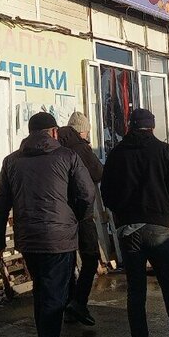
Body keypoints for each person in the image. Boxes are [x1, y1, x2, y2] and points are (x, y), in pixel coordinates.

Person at [0, 112, 97, 337]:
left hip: (29, 239)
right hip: (59, 239)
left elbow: (0, 205)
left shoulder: (11, 161)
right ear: (53, 132)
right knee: (54, 296)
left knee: (42, 290)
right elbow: (87, 194)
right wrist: (77, 218)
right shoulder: (68, 156)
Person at [101, 108, 169, 337]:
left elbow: (107, 192)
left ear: (130, 126)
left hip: (128, 230)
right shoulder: (165, 151)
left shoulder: (117, 154)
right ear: (152, 127)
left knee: (136, 291)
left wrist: (121, 213)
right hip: (159, 228)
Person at [57, 111, 105, 326]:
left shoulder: (56, 145)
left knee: (67, 260)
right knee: (90, 257)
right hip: (81, 212)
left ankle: (69, 303)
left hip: (61, 213)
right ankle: (78, 303)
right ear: (82, 131)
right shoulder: (80, 148)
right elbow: (98, 173)